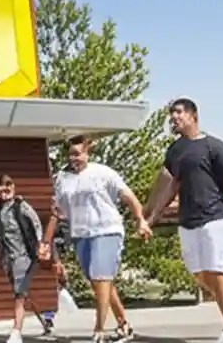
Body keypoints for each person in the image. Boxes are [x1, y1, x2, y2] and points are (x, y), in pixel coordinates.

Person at [146, 97, 223, 342]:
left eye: (179, 113)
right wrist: (152, 216)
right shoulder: (174, 150)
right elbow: (172, 185)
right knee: (199, 276)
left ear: (193, 116)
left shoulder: (213, 146)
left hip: (215, 217)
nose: (174, 118)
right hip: (187, 220)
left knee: (216, 273)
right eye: (171, 114)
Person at [44, 136, 151, 343]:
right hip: (81, 234)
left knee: (102, 278)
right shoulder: (61, 178)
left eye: (78, 154)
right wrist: (46, 240)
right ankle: (124, 325)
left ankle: (99, 330)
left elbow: (129, 197)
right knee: (100, 283)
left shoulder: (103, 173)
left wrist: (141, 220)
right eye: (70, 154)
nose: (74, 158)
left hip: (106, 229)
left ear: (87, 153)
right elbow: (60, 212)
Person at [0, 174, 53, 343]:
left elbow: (36, 224)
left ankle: (16, 332)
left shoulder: (21, 206)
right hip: (7, 258)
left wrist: (41, 244)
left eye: (8, 185)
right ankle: (46, 322)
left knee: (19, 293)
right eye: (1, 186)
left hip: (24, 256)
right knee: (22, 294)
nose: (5, 189)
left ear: (14, 187)